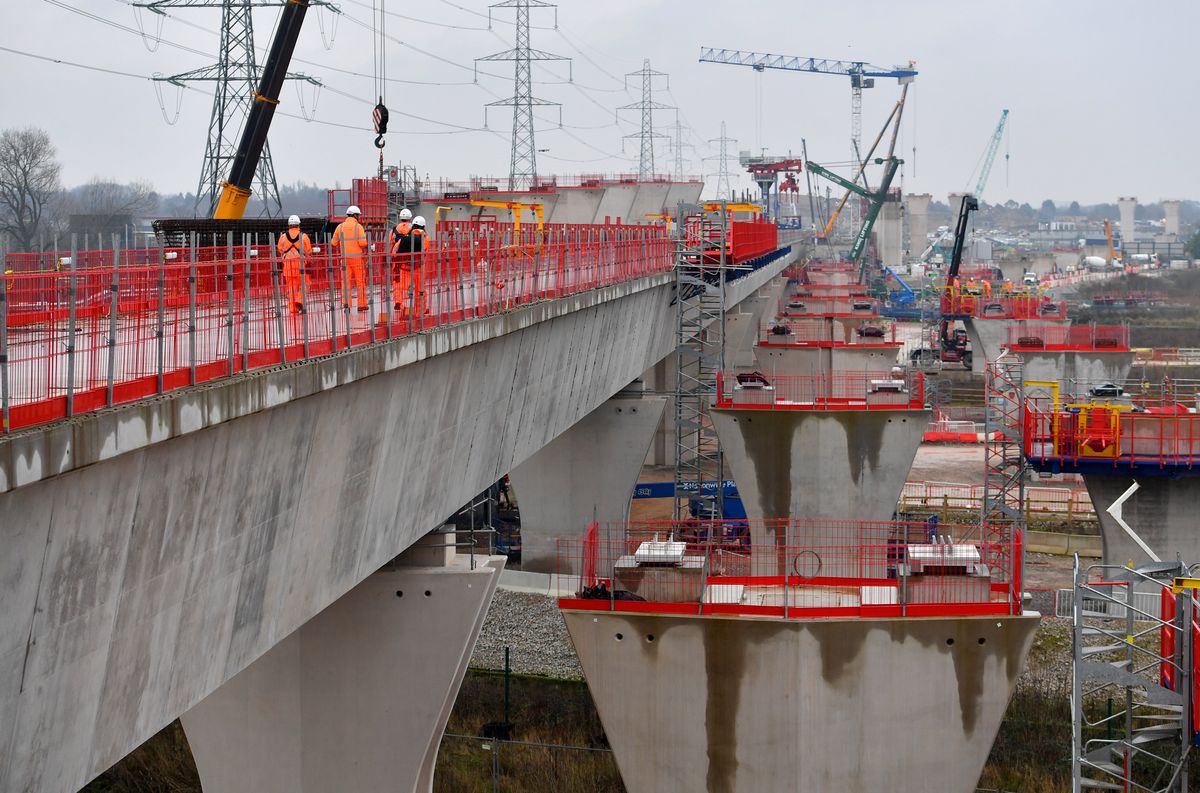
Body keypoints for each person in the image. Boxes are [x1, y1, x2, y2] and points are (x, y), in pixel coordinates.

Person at [330, 205, 369, 312]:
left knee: (345, 282)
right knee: (360, 282)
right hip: (357, 259)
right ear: (355, 215)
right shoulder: (358, 227)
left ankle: (347, 305)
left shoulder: (340, 227)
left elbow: (333, 243)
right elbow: (362, 243)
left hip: (345, 259)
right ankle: (361, 305)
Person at [391, 212, 428, 314]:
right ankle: (420, 309)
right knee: (420, 289)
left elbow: (394, 249)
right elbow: (425, 251)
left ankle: (402, 306)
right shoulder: (424, 237)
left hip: (403, 265)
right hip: (418, 266)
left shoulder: (401, 232)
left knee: (401, 286)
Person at [276, 215, 312, 314]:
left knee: (291, 289)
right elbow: (308, 251)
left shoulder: (283, 237)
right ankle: (299, 300)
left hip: (287, 266)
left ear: (289, 225)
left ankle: (293, 309)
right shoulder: (303, 236)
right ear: (298, 224)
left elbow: (280, 249)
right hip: (300, 266)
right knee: (305, 285)